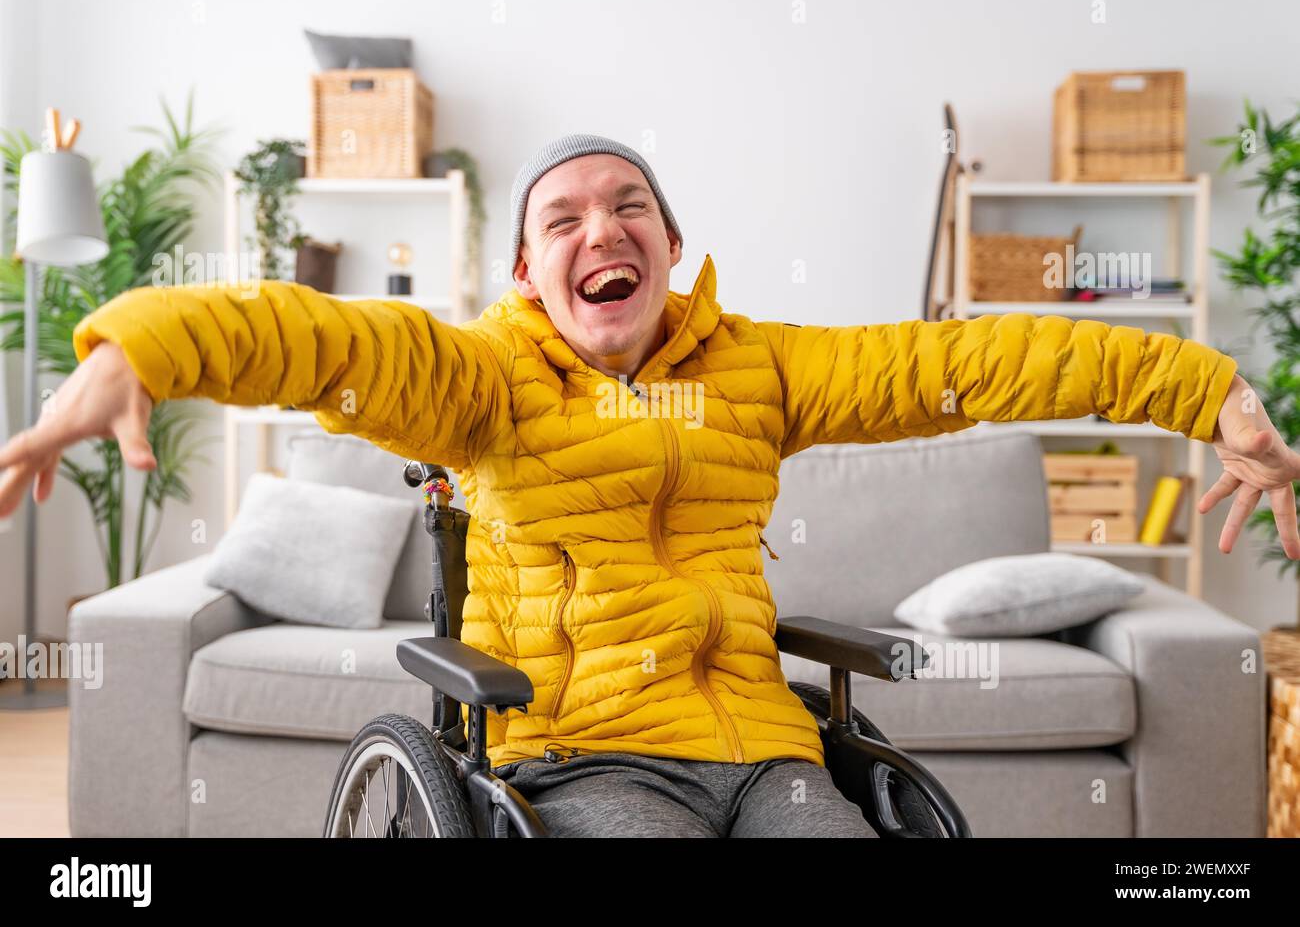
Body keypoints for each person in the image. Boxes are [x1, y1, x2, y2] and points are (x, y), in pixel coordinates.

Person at [2, 133, 1297, 838]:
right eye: (561, 217)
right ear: (525, 274)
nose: (599, 228)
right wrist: (142, 347)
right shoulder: (484, 378)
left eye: (630, 207)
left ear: (672, 250)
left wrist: (1205, 393)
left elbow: (974, 361)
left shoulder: (761, 369)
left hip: (769, 750)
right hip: (580, 755)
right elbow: (316, 337)